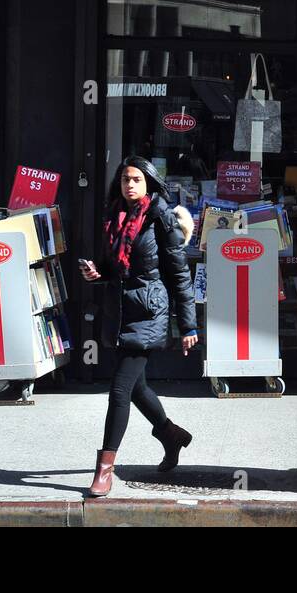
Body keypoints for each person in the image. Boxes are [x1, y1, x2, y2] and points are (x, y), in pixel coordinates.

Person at [79, 156, 199, 498]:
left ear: (148, 182)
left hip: (148, 311)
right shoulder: (114, 215)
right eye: (124, 180)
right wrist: (96, 272)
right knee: (136, 387)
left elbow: (178, 274)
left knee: (119, 391)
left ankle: (104, 470)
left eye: (135, 180)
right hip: (119, 310)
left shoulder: (161, 218)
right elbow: (112, 265)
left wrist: (188, 325)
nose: (129, 185)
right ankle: (170, 434)